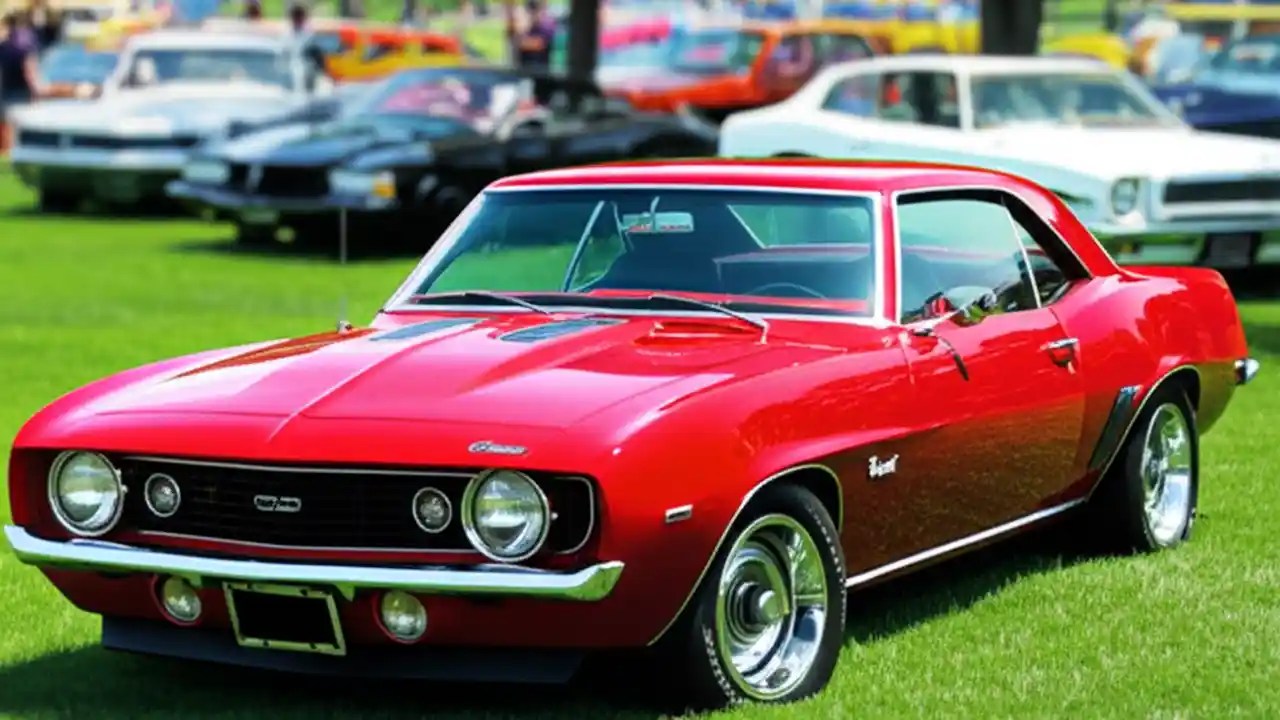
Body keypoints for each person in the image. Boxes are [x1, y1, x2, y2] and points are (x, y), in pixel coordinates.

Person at [0, 12, 41, 153]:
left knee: (7, 125)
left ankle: (7, 153)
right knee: (18, 125)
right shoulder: (26, 44)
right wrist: (36, 90)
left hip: (7, 91)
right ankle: (14, 152)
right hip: (21, 92)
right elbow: (29, 70)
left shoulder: (5, 45)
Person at [506, 0, 554, 71]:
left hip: (541, 71)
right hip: (523, 69)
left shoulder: (546, 25)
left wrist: (521, 36)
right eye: (529, 11)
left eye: (535, 11)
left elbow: (539, 44)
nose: (532, 14)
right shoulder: (523, 26)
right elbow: (511, 39)